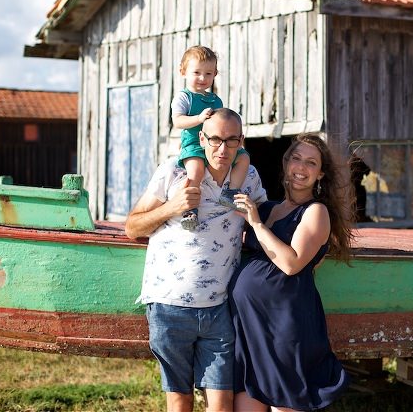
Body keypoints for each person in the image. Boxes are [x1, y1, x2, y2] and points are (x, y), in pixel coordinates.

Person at [125, 108, 267, 412]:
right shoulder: (173, 172)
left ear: (241, 140)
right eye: (215, 139)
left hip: (219, 307)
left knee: (222, 404)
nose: (222, 149)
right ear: (201, 138)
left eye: (231, 140)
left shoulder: (249, 178)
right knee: (180, 402)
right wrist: (172, 207)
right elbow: (132, 227)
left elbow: (267, 222)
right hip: (169, 306)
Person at [228, 133, 355, 411]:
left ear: (320, 174)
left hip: (283, 329)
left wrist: (257, 225)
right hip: (249, 328)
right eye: (296, 158)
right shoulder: (267, 208)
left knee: (285, 403)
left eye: (311, 163)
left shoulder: (316, 212)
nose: (301, 167)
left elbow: (292, 263)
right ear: (286, 163)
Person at [172, 46, 251, 230]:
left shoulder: (216, 100)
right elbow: (177, 121)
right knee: (196, 172)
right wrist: (199, 119)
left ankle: (230, 193)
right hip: (194, 144)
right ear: (183, 72)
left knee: (244, 158)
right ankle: (190, 210)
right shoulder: (184, 97)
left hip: (216, 144)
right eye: (196, 73)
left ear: (215, 74)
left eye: (208, 73)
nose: (202, 78)